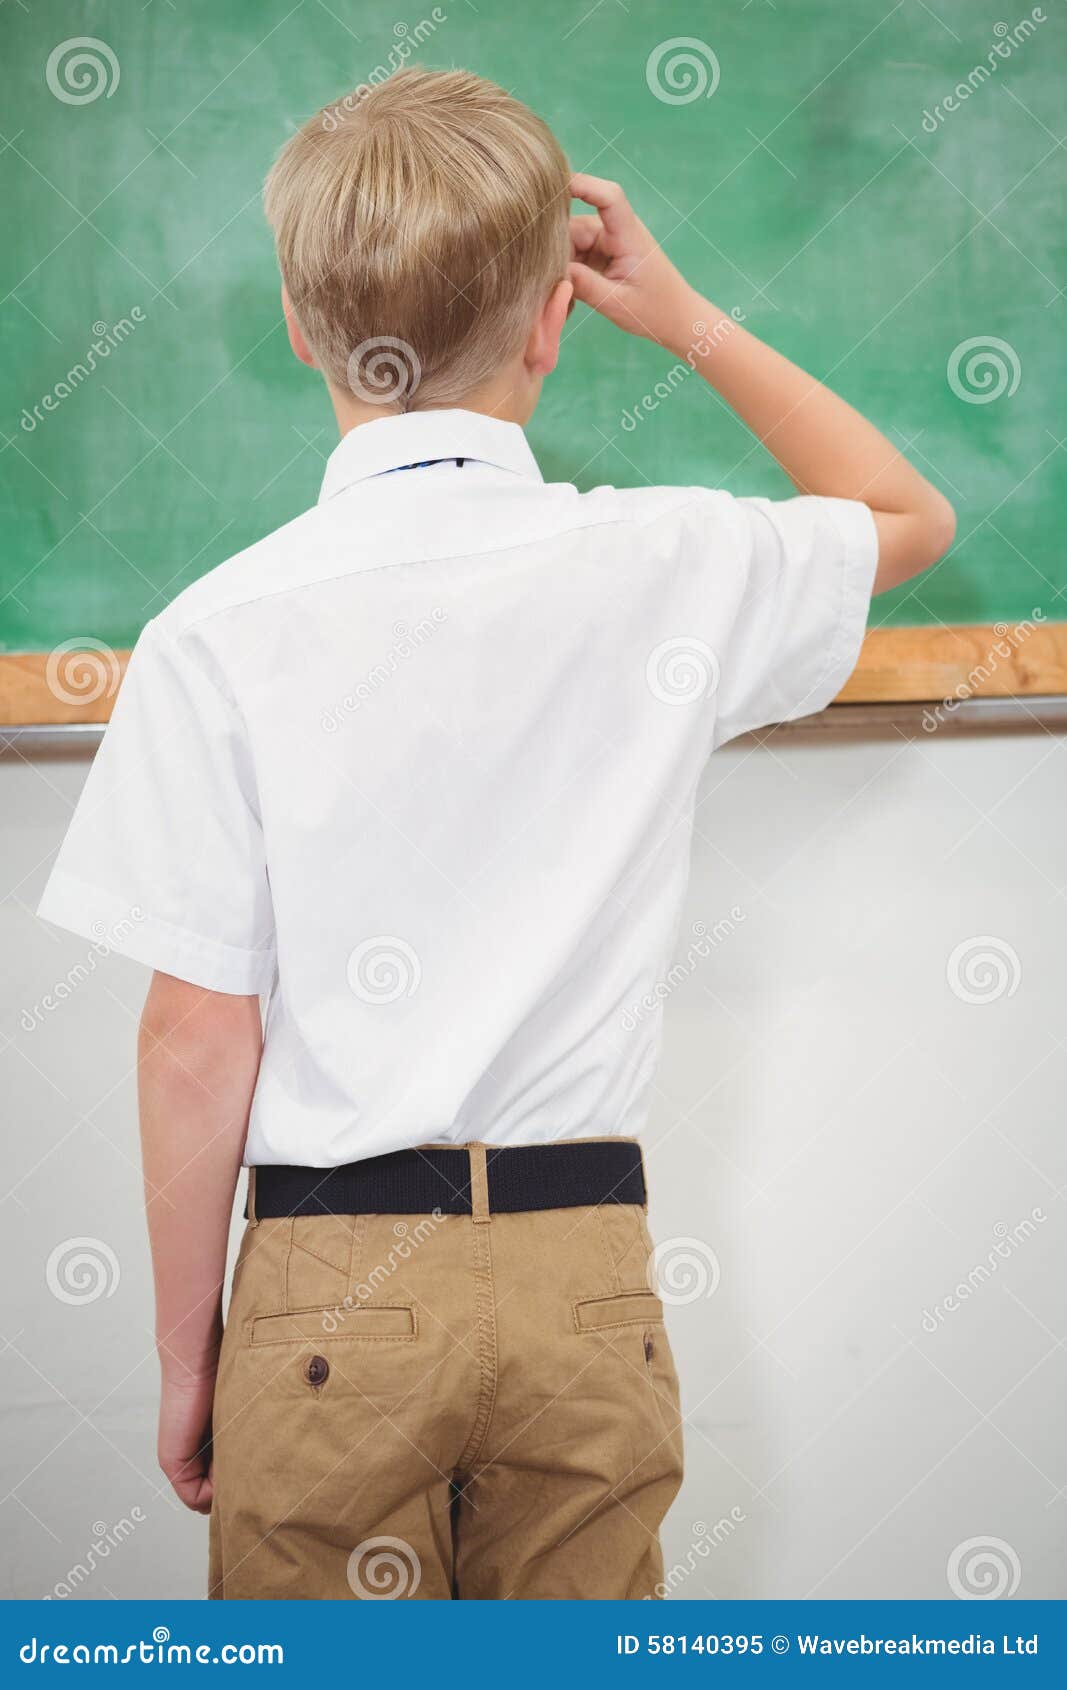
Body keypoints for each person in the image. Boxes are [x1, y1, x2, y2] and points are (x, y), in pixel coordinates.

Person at [38, 67, 955, 1600]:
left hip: (330, 1291)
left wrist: (186, 1354)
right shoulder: (668, 561)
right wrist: (685, 316)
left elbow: (196, 1036)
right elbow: (904, 514)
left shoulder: (216, 631)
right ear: (552, 320)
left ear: (295, 319)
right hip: (579, 1280)